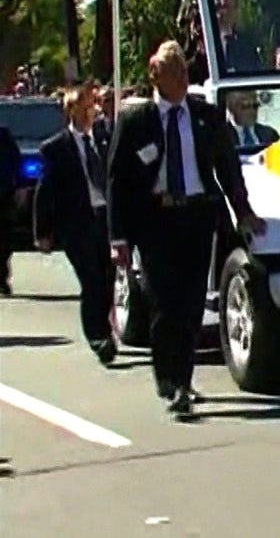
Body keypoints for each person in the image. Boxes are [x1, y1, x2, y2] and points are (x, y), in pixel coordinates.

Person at [107, 40, 266, 418]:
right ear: (155, 76)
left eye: (183, 71)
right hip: (155, 221)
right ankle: (171, 381)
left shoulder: (206, 116)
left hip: (196, 217)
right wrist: (118, 238)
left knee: (192, 303)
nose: (180, 79)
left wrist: (243, 211)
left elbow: (228, 168)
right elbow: (116, 181)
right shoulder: (136, 121)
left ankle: (183, 377)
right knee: (165, 303)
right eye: (172, 72)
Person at [32, 86, 118, 365]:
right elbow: (44, 192)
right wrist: (42, 232)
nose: (89, 113)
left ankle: (104, 329)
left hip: (104, 219)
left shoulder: (104, 140)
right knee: (91, 280)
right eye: (83, 108)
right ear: (70, 111)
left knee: (107, 280)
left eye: (91, 107)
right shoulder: (55, 148)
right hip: (77, 225)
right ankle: (98, 336)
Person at [0, 124, 18, 296]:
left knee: (4, 240)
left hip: (3, 195)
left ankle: (1, 277)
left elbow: (15, 160)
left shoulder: (3, 135)